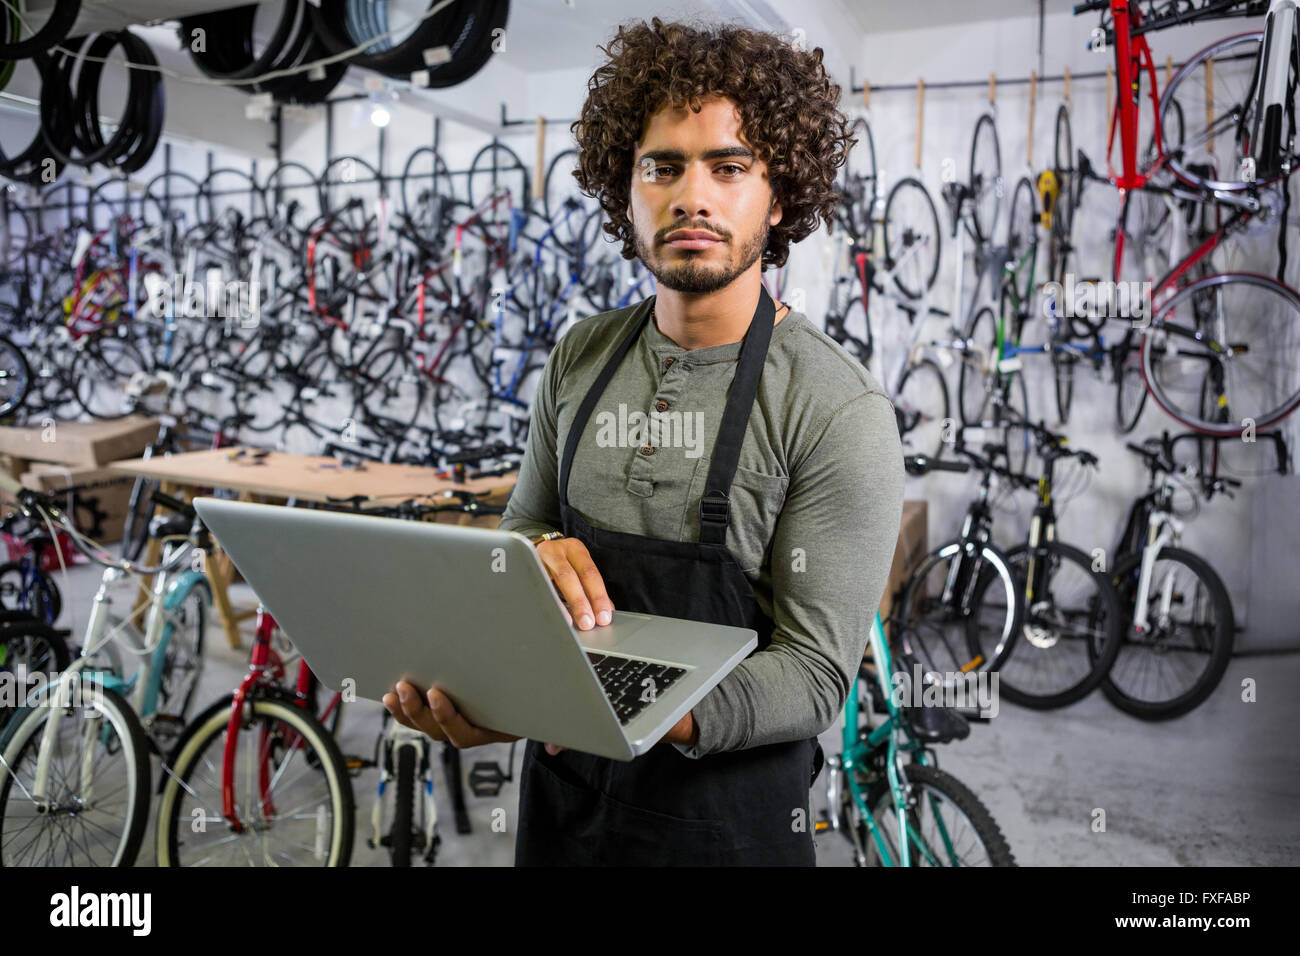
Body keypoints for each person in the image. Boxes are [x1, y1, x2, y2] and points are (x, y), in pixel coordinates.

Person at [383, 16, 904, 866]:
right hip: (561, 804)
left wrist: (584, 705)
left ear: (779, 198)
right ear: (625, 192)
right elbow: (521, 526)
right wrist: (534, 558)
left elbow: (813, 678)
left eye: (729, 167)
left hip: (727, 825)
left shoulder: (836, 408)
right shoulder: (580, 358)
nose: (691, 195)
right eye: (662, 166)